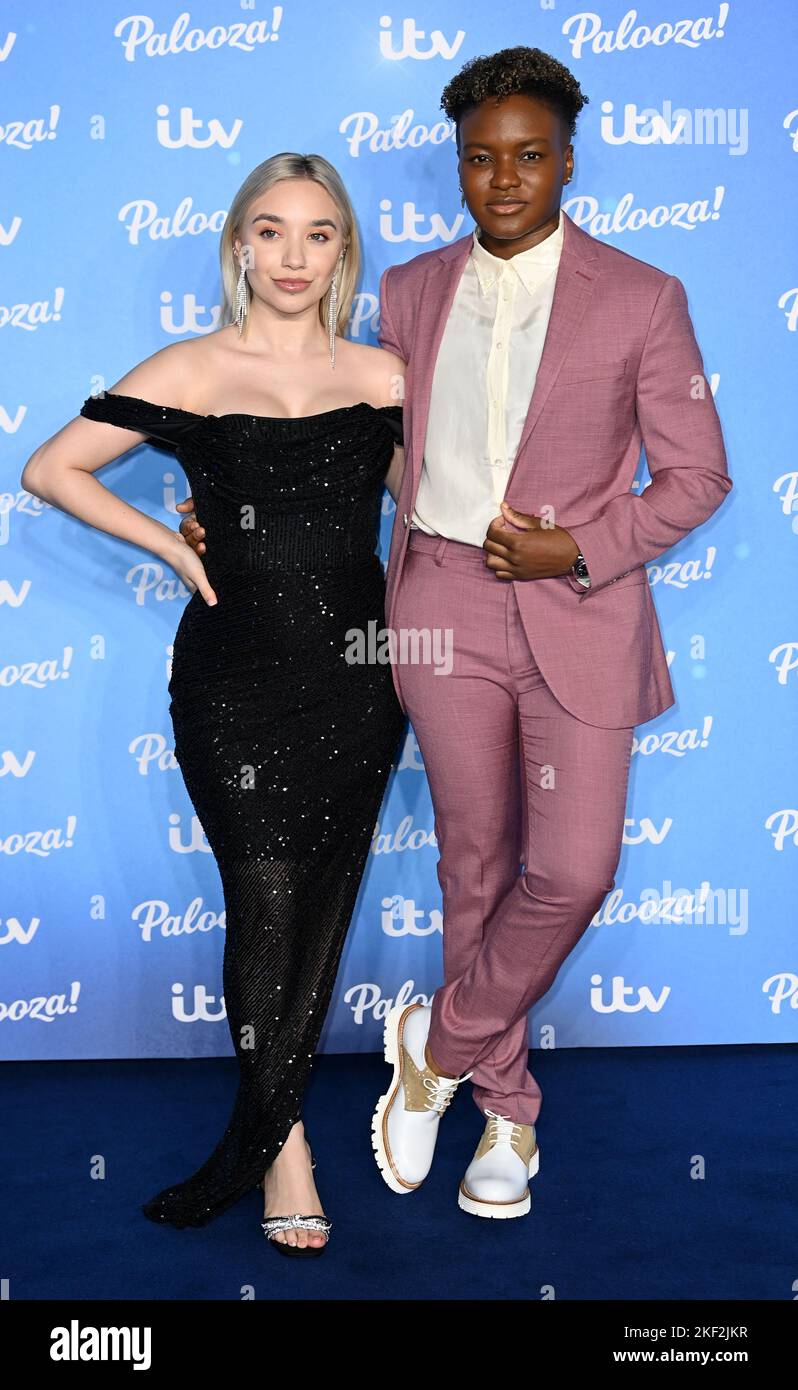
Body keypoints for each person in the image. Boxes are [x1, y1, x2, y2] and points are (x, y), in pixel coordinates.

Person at [178, 47, 733, 1223]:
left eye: (530, 155)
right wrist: (231, 501)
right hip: (438, 604)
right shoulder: (412, 291)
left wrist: (575, 547)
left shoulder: (643, 296)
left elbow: (699, 478)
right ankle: (508, 1115)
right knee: (474, 865)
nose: (506, 178)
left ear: (569, 161)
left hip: (579, 606)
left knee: (573, 870)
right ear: (460, 168)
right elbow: (355, 440)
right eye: (482, 158)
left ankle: (437, 1042)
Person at [20, 153, 408, 1255]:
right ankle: (284, 1147)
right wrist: (171, 544)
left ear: (343, 251)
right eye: (271, 230)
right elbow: (51, 469)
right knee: (265, 901)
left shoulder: (385, 377)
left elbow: (432, 510)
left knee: (322, 903)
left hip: (358, 677)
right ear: (240, 243)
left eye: (319, 234)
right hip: (232, 685)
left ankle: (273, 1127)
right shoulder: (190, 367)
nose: (293, 256)